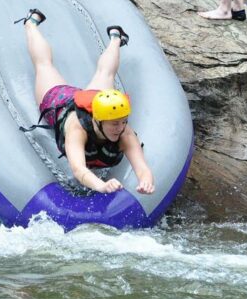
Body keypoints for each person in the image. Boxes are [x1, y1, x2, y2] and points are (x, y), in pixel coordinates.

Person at [20, 10, 154, 195]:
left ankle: (116, 37)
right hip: (61, 102)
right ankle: (30, 24)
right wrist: (101, 185)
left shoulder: (124, 132)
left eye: (123, 122)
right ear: (98, 120)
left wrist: (146, 182)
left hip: (95, 100)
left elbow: (142, 168)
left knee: (105, 74)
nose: (120, 128)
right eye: (115, 124)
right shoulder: (77, 130)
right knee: (44, 65)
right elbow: (78, 169)